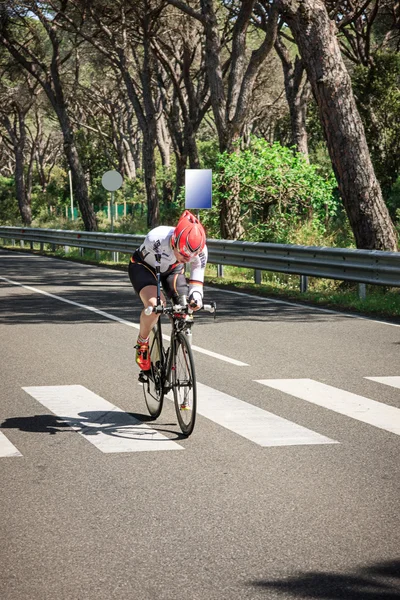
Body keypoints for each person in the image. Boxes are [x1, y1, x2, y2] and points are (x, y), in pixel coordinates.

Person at [128, 210, 208, 371]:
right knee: (155, 304)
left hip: (173, 270)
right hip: (145, 267)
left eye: (191, 257)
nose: (188, 259)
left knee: (184, 309)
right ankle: (142, 343)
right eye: (184, 254)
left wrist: (196, 298)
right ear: (174, 242)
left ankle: (173, 356)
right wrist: (159, 302)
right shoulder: (156, 238)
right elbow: (157, 275)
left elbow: (197, 281)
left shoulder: (201, 251)